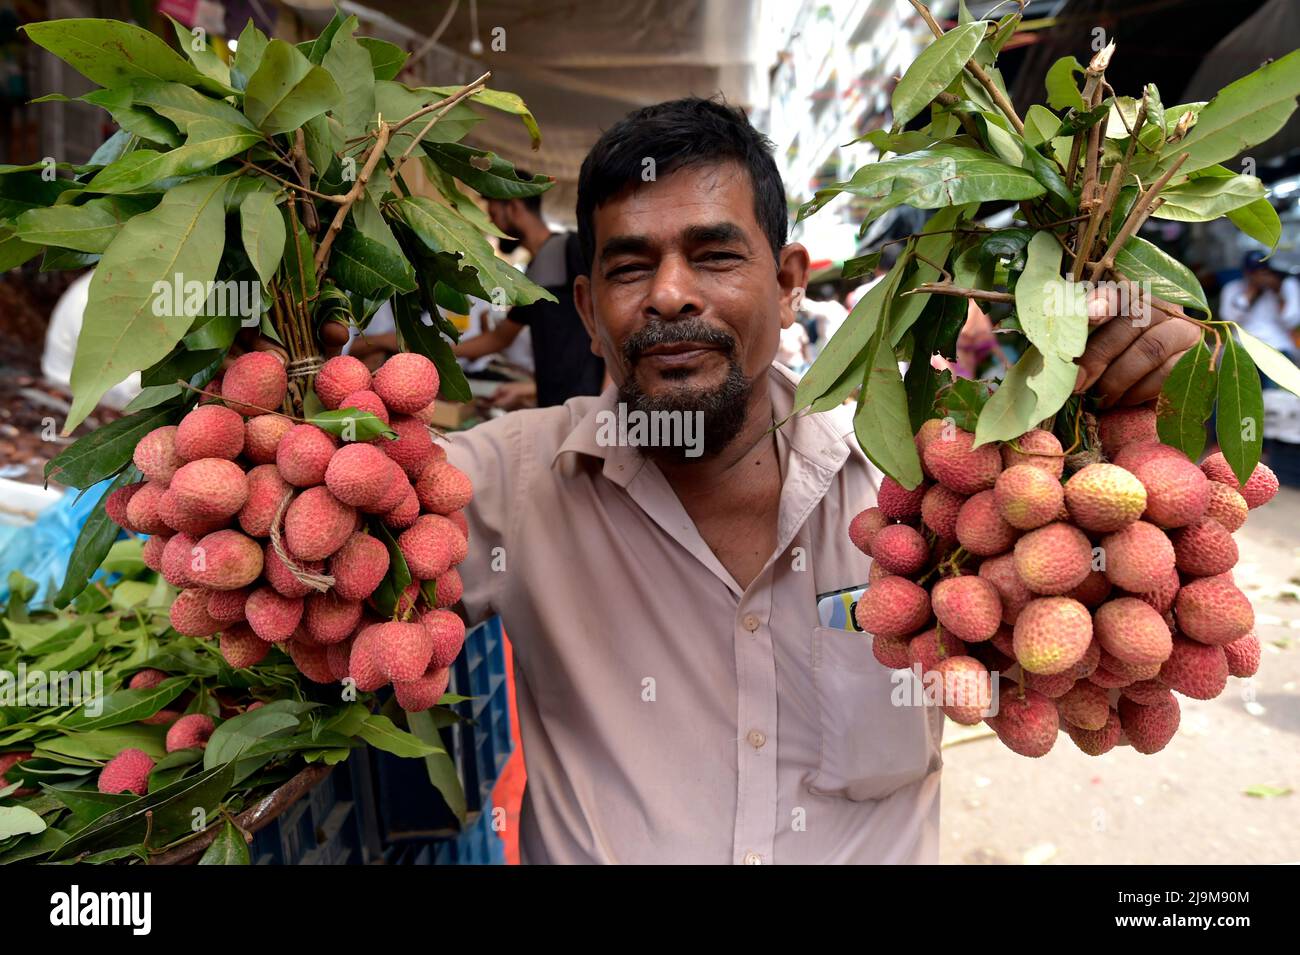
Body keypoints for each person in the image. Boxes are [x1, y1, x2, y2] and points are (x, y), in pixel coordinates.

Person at [442, 97, 1200, 864]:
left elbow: (1087, 676)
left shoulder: (922, 480)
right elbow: (344, 551)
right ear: (589, 312)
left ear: (787, 282)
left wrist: (1160, 395)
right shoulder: (508, 481)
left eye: (714, 256)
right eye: (631, 267)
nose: (670, 294)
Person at [451, 176, 605, 409]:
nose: (492, 223)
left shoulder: (570, 248)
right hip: (556, 408)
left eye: (493, 214)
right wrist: (433, 350)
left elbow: (609, 321)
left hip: (589, 407)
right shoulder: (533, 274)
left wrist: (607, 404)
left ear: (512, 206)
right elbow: (500, 338)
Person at [1221, 250, 1300, 367]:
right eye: (1253, 272)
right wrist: (1252, 291)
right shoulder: (1232, 288)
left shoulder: (1287, 285)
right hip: (1243, 347)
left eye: (1262, 271)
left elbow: (1291, 321)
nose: (1258, 276)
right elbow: (1229, 318)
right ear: (1245, 272)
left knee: (1274, 385)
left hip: (1276, 346)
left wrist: (1277, 291)